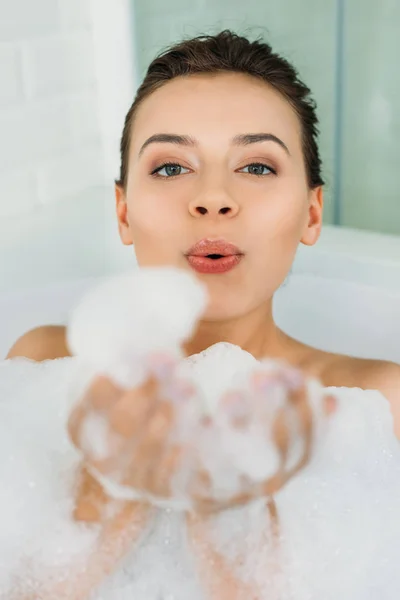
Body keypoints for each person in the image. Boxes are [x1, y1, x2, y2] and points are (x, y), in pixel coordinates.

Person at [5, 30, 400, 599]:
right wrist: (100, 503)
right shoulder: (44, 365)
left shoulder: (377, 405)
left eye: (257, 167)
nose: (213, 198)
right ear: (122, 211)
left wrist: (245, 554)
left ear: (312, 214)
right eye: (171, 167)